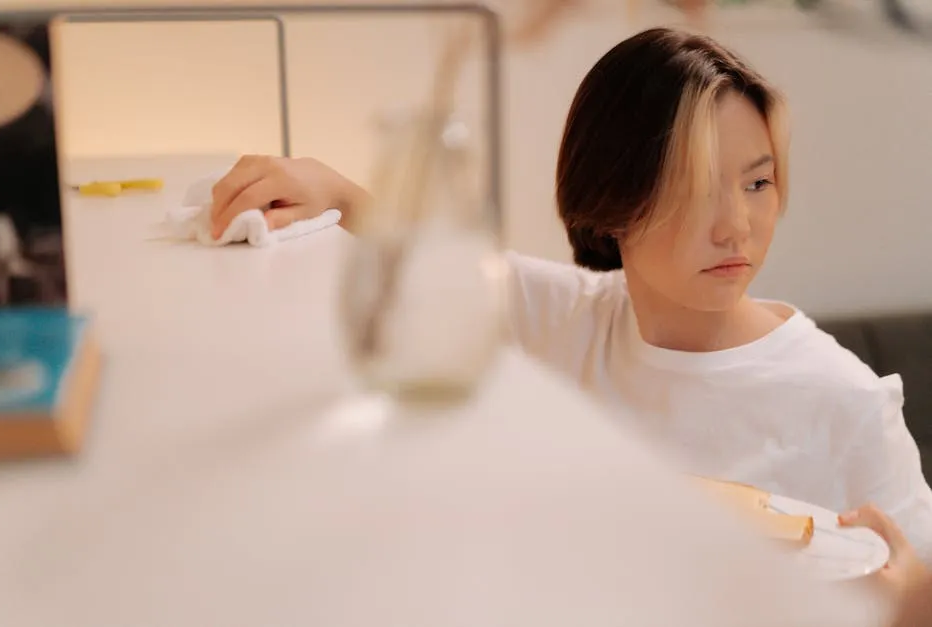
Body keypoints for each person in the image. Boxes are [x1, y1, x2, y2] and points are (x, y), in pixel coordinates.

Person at [207, 27, 932, 596]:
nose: (735, 226)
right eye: (696, 186)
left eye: (757, 182)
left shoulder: (847, 404)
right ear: (611, 203)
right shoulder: (576, 317)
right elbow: (431, 254)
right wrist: (324, 184)